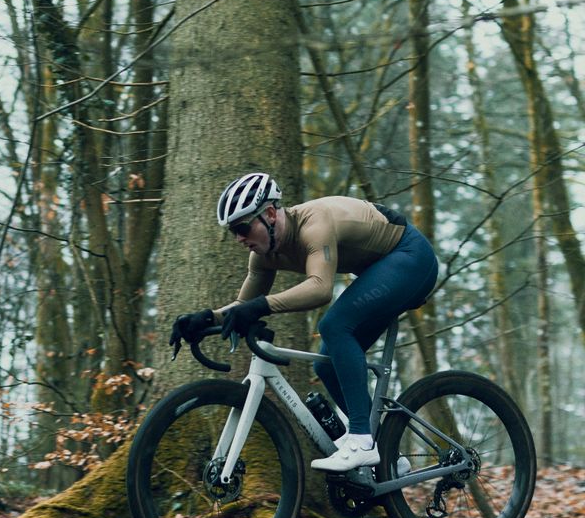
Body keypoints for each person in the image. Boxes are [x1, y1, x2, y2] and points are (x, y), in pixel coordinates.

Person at [168, 171, 439, 472]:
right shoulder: (261, 254)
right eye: (234, 232)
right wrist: (205, 319)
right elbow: (244, 305)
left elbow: (320, 289)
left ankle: (361, 440)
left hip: (412, 258)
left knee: (334, 326)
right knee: (325, 363)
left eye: (243, 227)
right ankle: (387, 459)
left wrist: (261, 308)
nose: (240, 238)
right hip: (382, 269)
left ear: (270, 214)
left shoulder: (314, 224)